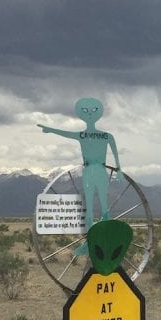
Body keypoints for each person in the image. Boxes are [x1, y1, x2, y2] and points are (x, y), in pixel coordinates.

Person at [37, 98, 121, 232]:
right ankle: (92, 237)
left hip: (96, 170)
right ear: (80, 114)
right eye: (85, 111)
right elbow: (66, 133)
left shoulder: (105, 136)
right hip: (92, 171)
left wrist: (119, 170)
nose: (89, 114)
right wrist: (51, 130)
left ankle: (104, 235)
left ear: (99, 113)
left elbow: (116, 153)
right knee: (91, 204)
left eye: (93, 110)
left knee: (101, 203)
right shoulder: (92, 135)